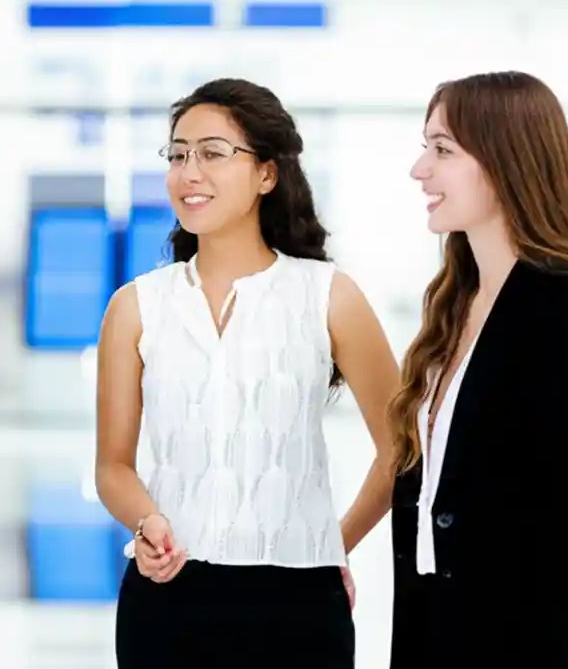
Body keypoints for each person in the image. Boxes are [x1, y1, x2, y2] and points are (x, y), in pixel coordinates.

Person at [95, 78, 400, 668]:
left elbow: (400, 450)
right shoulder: (136, 306)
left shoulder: (328, 296)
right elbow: (112, 465)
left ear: (267, 173)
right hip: (167, 598)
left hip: (298, 606)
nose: (189, 172)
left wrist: (335, 542)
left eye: (212, 153)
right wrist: (147, 520)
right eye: (178, 154)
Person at [388, 70, 568, 668]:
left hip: (529, 645)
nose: (420, 169)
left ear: (506, 161)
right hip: (439, 633)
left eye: (442, 149)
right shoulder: (454, 305)